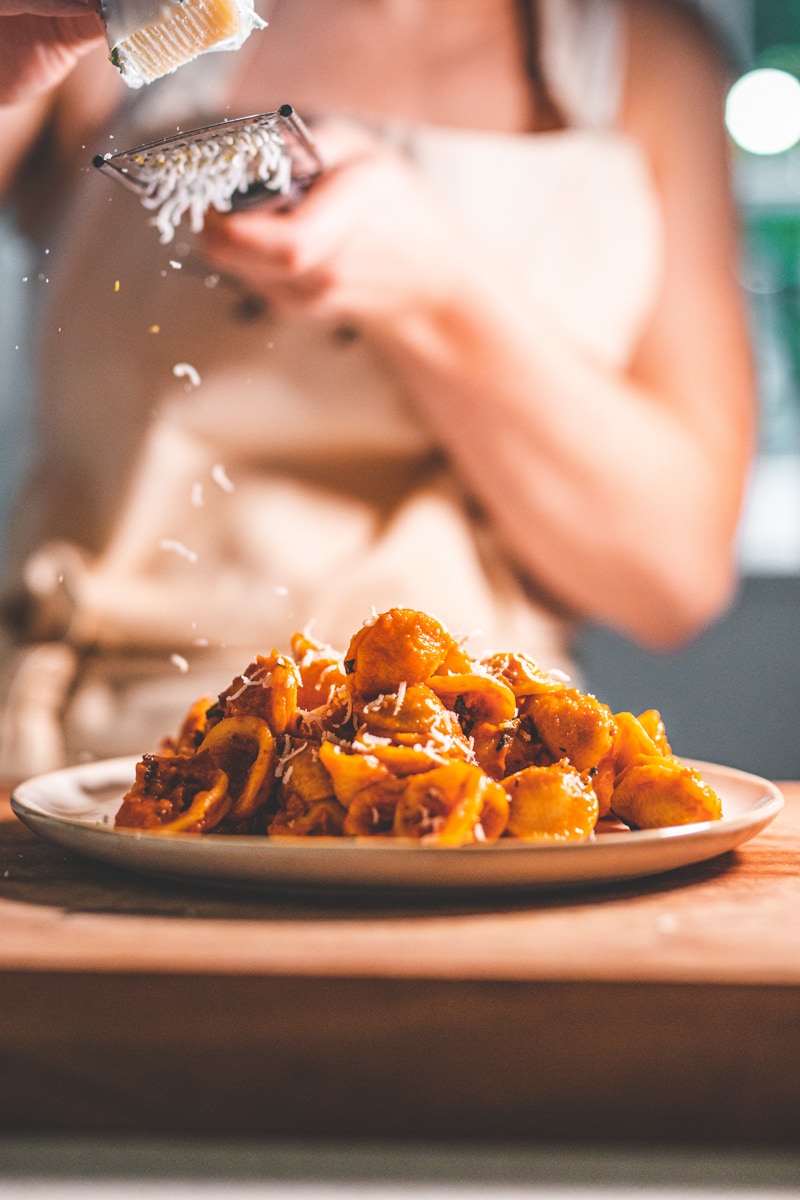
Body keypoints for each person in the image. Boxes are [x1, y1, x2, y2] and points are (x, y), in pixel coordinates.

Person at [0, 0, 755, 775]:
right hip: (81, 766)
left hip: (471, 769)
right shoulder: (104, 21)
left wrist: (441, 295)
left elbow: (674, 576)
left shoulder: (652, 58)